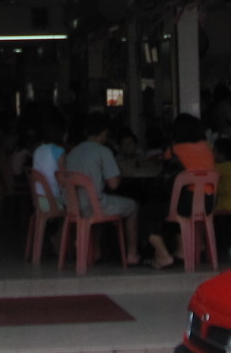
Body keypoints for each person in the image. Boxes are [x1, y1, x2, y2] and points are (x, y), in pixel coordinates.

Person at [62, 113, 141, 264]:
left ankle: (96, 251)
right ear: (104, 133)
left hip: (73, 207)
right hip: (93, 206)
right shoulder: (103, 151)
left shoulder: (73, 152)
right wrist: (120, 172)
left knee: (98, 205)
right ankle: (132, 255)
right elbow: (114, 185)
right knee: (133, 206)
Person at [147, 112, 215, 268]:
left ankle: (163, 255)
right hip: (208, 202)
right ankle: (183, 250)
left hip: (185, 203)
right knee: (173, 208)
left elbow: (165, 170)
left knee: (148, 213)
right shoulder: (207, 148)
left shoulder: (174, 150)